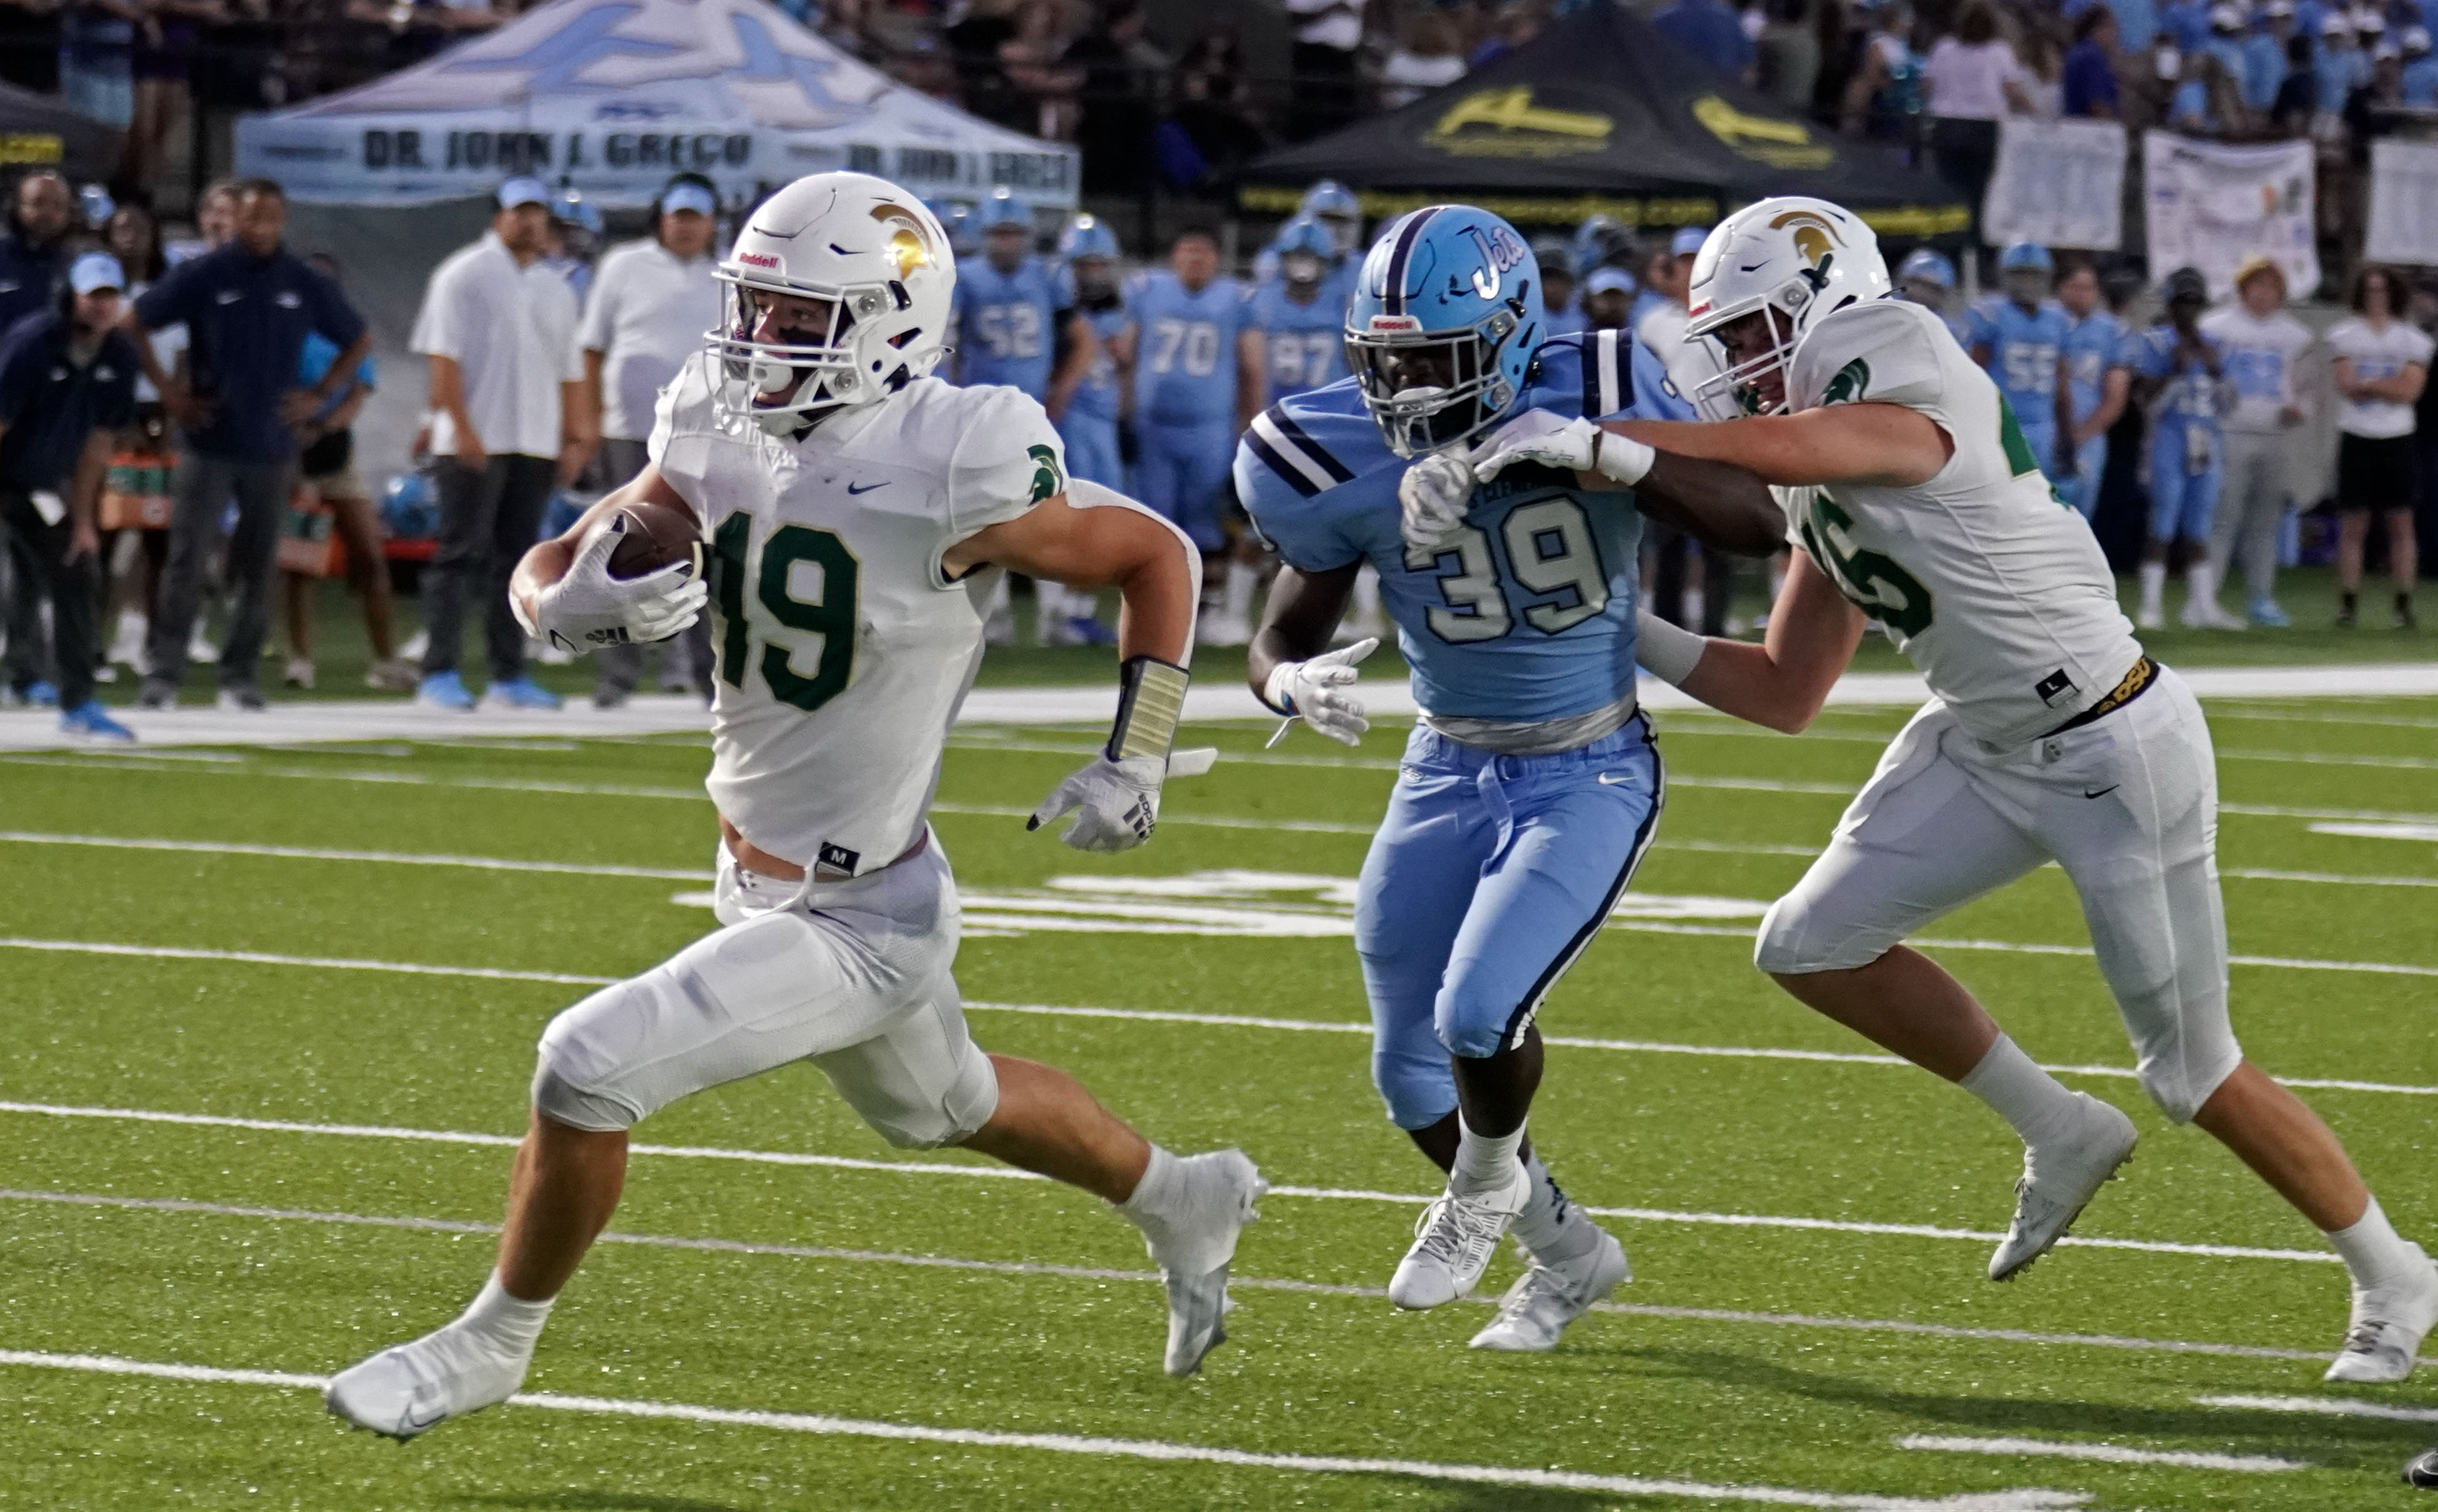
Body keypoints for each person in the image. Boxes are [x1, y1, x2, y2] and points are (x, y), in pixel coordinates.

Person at [322, 171, 1264, 1439]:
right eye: (753, 306)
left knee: (584, 1065)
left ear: (890, 322)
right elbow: (585, 545)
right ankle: (1182, 1197)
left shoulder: (958, 450)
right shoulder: (716, 405)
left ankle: (491, 1342)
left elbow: (1157, 551)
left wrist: (1137, 756)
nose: (759, 337)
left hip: (862, 910)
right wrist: (560, 602)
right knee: (949, 1104)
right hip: (759, 871)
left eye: (797, 315)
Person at [1468, 194, 2438, 1385]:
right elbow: (1784, 688)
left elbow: (1841, 444)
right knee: (1809, 944)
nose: (1735, 364)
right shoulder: (1810, 453)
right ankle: (2059, 1127)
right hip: (1984, 739)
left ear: (1822, 295)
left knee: (2190, 1070)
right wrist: (1623, 629)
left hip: (2110, 742)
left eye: (1750, 331)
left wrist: (1612, 446)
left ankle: (2395, 1272)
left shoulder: (1895, 347)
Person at [1242, 203, 1782, 1352]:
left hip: (1587, 763)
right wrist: (1287, 683)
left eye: (1433, 360)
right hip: (1442, 764)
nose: (1403, 389)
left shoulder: (1599, 382)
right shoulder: (1323, 449)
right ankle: (1570, 1255)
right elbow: (1281, 630)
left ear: (1508, 337)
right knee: (1407, 1072)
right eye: (1383, 361)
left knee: (1478, 1011)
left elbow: (1755, 521)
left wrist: (1597, 452)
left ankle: (1481, 1190)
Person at [128, 178, 374, 711]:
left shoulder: (301, 280)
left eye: (270, 217)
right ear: (235, 219)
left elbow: (358, 338)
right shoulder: (204, 274)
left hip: (273, 445)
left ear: (282, 221)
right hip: (209, 441)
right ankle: (165, 673)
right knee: (186, 562)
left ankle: (239, 677)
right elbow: (135, 320)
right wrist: (170, 393)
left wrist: (322, 394)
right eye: (252, 216)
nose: (261, 226)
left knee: (258, 567)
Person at [408, 176, 593, 712]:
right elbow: (443, 358)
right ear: (499, 217)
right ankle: (439, 671)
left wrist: (575, 437)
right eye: (519, 211)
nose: (529, 222)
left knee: (517, 563)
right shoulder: (463, 274)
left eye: (537, 213)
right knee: (457, 556)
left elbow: (569, 370)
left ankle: (508, 675)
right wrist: (461, 427)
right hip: (473, 440)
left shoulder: (555, 288)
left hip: (532, 441)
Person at [581, 173, 723, 707]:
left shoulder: (730, 274)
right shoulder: (624, 265)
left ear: (711, 223)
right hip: (630, 430)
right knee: (624, 553)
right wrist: (589, 419)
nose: (685, 228)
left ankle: (710, 676)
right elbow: (591, 346)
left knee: (703, 555)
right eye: (677, 217)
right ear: (661, 219)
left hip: (706, 436)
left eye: (695, 218)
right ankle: (617, 677)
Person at [954, 189, 1102, 647]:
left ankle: (1054, 614)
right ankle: (993, 614)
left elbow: (1084, 340)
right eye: (999, 233)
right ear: (984, 235)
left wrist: (1061, 391)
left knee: (1045, 508)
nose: (1006, 242)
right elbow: (949, 345)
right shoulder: (965, 278)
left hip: (1034, 412)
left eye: (1013, 233)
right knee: (984, 513)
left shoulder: (1047, 276)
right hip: (981, 413)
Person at [0, 252, 139, 739]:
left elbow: (97, 447)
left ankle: (78, 702)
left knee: (76, 567)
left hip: (39, 485)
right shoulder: (33, 344)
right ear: (71, 296)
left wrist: (83, 519)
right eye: (93, 294)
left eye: (110, 295)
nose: (101, 305)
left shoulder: (120, 358)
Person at [1113, 227, 1261, 644]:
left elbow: (1252, 367)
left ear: (1216, 260)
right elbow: (1126, 356)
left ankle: (1206, 612)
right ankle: (1150, 609)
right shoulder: (1147, 291)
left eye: (1203, 252)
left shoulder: (1236, 299)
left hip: (1210, 427)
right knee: (1152, 521)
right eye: (1188, 251)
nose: (1195, 260)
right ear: (1174, 257)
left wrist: (1251, 427)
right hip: (1154, 426)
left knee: (1207, 521)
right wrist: (1123, 414)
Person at [280, 251, 411, 693]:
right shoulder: (284, 331)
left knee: (369, 556)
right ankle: (300, 659)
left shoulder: (349, 334)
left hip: (336, 451)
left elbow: (357, 394)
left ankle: (386, 659)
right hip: (291, 453)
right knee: (300, 563)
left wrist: (324, 425)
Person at [2198, 255, 2314, 627]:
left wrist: (2300, 410)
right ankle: (2205, 598)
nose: (2264, 293)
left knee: (2266, 521)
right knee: (2224, 516)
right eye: (2257, 285)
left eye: (2272, 286)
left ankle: (2261, 597)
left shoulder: (2294, 335)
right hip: (2229, 431)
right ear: (2243, 288)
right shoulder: (2216, 327)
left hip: (2274, 432)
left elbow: (2306, 385)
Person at [2327, 263, 2431, 629]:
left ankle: (2403, 604)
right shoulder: (2343, 335)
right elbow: (2347, 385)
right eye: (2371, 290)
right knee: (2353, 523)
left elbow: (2410, 391)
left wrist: (2371, 384)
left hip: (2397, 436)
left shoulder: (2413, 340)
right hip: (2357, 434)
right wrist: (2387, 384)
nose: (2377, 298)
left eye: (2383, 290)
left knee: (2401, 522)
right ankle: (2348, 603)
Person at [2126, 267, 2228, 629]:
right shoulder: (2156, 342)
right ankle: (2151, 606)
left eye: (2195, 302)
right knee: (2163, 522)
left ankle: (2203, 606)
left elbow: (2229, 403)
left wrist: (2216, 372)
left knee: (2200, 525)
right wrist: (2173, 369)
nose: (2189, 309)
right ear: (2171, 305)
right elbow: (2143, 399)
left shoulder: (2213, 344)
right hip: (2168, 438)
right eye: (2183, 302)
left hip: (2206, 438)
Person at [1965, 241, 2072, 492]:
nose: (2027, 282)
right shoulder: (1990, 313)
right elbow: (1972, 375)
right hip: (2000, 423)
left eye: (2034, 275)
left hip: (2043, 425)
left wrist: (2067, 434)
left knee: (2040, 497)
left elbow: (2062, 384)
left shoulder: (2057, 318)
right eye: (2020, 275)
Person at [1924, 1, 2033, 216]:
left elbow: (1927, 85)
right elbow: (2012, 90)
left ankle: (1952, 230)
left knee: (1949, 186)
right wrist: (2036, 113)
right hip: (1984, 128)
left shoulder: (1944, 48)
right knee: (1981, 190)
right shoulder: (1999, 52)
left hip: (1947, 125)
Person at [2055, 255, 2129, 521]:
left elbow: (2115, 398)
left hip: (2088, 434)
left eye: (2089, 288)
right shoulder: (2046, 321)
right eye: (2076, 287)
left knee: (2080, 516)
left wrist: (2078, 437)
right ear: (2060, 288)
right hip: (2043, 431)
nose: (2083, 294)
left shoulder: (2112, 331)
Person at [1246, 215, 1347, 405]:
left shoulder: (1343, 303)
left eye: (1310, 258)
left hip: (1327, 409)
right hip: (1274, 408)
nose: (1303, 266)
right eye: (1298, 257)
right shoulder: (1260, 302)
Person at [0, 171, 75, 335]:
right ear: (17, 207)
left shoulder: (76, 265)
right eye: (38, 203)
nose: (48, 213)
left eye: (58, 206)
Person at [1656, 0, 1759, 80]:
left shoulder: (1662, 19)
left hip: (1673, 91)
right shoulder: (1730, 18)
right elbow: (1749, 63)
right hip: (1721, 92)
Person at [1895, 246, 1971, 345]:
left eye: (1932, 288)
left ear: (1943, 293)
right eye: (1916, 283)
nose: (1921, 292)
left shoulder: (1949, 333)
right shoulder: (1885, 318)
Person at [2062, 4, 2123, 115]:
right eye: (2113, 28)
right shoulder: (2093, 57)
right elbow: (2097, 103)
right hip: (2089, 123)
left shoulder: (2075, 51)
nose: (2116, 35)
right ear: (2099, 28)